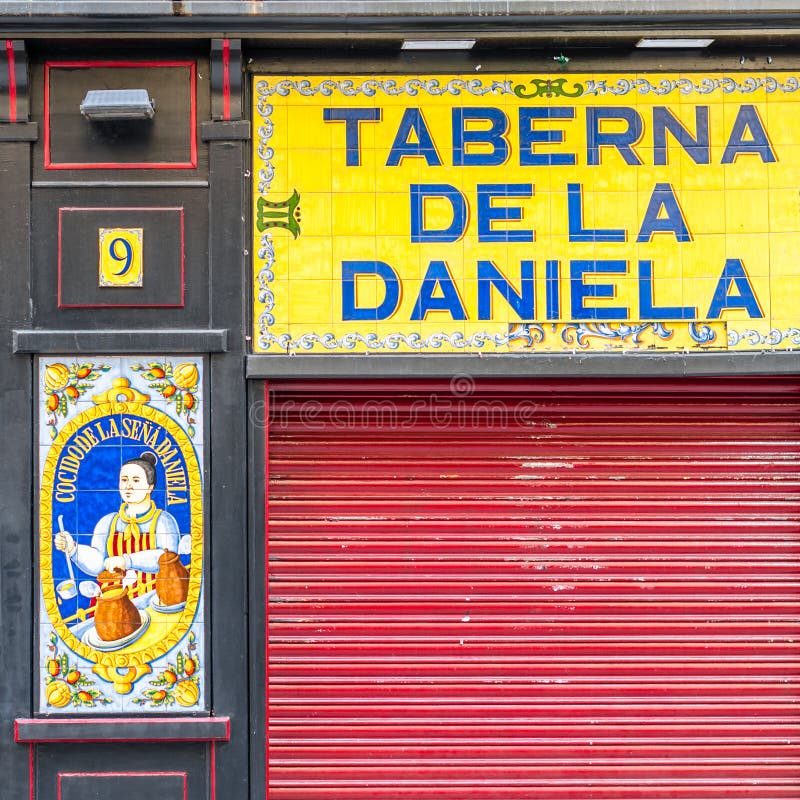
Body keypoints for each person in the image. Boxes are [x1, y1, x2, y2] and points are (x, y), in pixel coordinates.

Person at [55, 451, 180, 602]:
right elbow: (98, 565)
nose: (128, 486)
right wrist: (73, 549)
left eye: (135, 480)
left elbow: (167, 560)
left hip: (155, 601)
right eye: (124, 480)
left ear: (150, 487)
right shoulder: (108, 522)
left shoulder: (164, 520)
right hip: (111, 603)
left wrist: (126, 560)